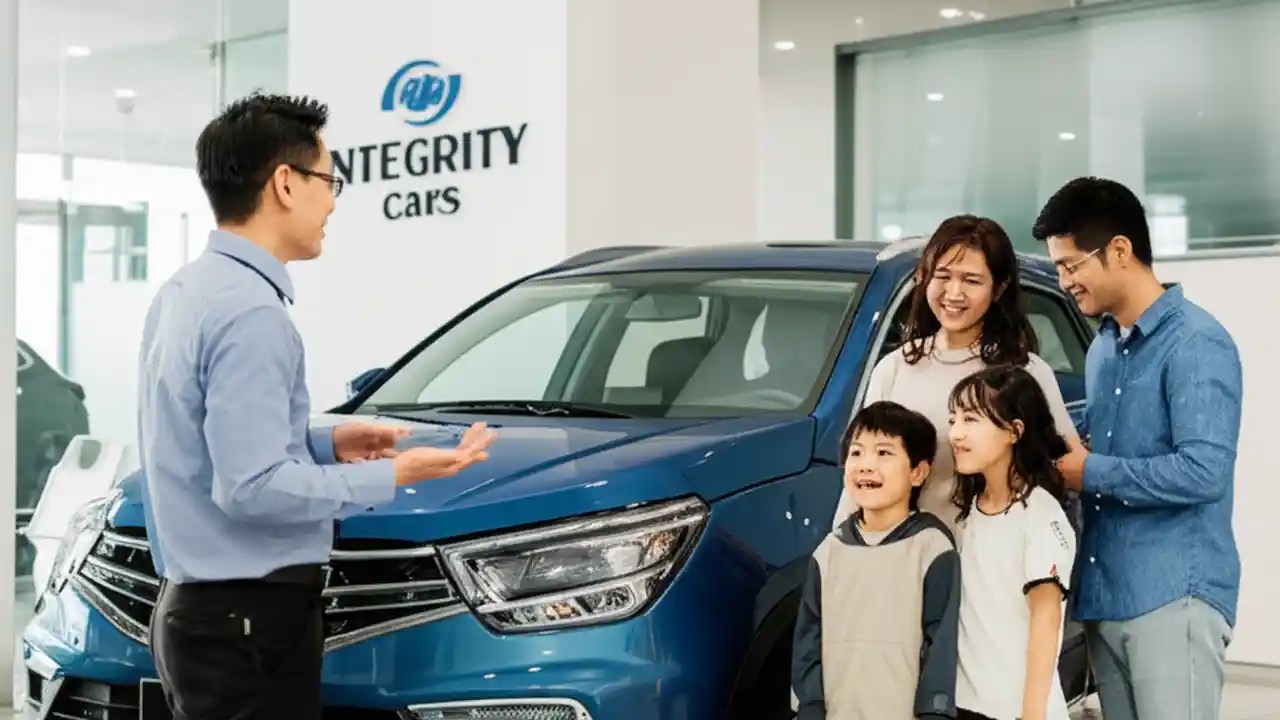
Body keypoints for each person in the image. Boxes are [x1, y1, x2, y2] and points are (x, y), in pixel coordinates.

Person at [136, 93, 498, 720]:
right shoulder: (251, 311)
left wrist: (324, 443)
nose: (332, 201)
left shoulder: (186, 291)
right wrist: (392, 476)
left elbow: (202, 441)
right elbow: (250, 488)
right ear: (284, 183)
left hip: (202, 615)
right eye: (330, 180)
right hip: (245, 623)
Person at [1035, 176, 1242, 720]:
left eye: (1070, 265)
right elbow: (1118, 455)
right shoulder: (1103, 349)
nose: (1063, 281)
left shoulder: (1197, 342)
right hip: (1106, 596)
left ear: (1120, 251)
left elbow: (1204, 472)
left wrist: (1092, 470)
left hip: (1174, 597)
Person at [834, 214, 1079, 535]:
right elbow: (860, 479)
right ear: (924, 277)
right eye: (943, 276)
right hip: (911, 564)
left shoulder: (1027, 373)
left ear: (999, 289)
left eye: (971, 281)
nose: (953, 292)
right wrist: (837, 554)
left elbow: (1068, 469)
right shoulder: (894, 368)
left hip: (996, 566)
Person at [793, 401, 961, 720]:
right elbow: (807, 644)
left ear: (918, 472)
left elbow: (942, 646)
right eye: (857, 453)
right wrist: (811, 708)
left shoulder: (932, 549)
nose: (866, 465)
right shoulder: (829, 552)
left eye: (884, 453)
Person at [946, 366, 1077, 720]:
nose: (956, 433)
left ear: (1014, 431)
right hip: (968, 704)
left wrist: (1031, 714)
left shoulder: (1040, 515)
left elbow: (1046, 619)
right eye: (952, 420)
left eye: (971, 419)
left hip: (1018, 711)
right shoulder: (970, 510)